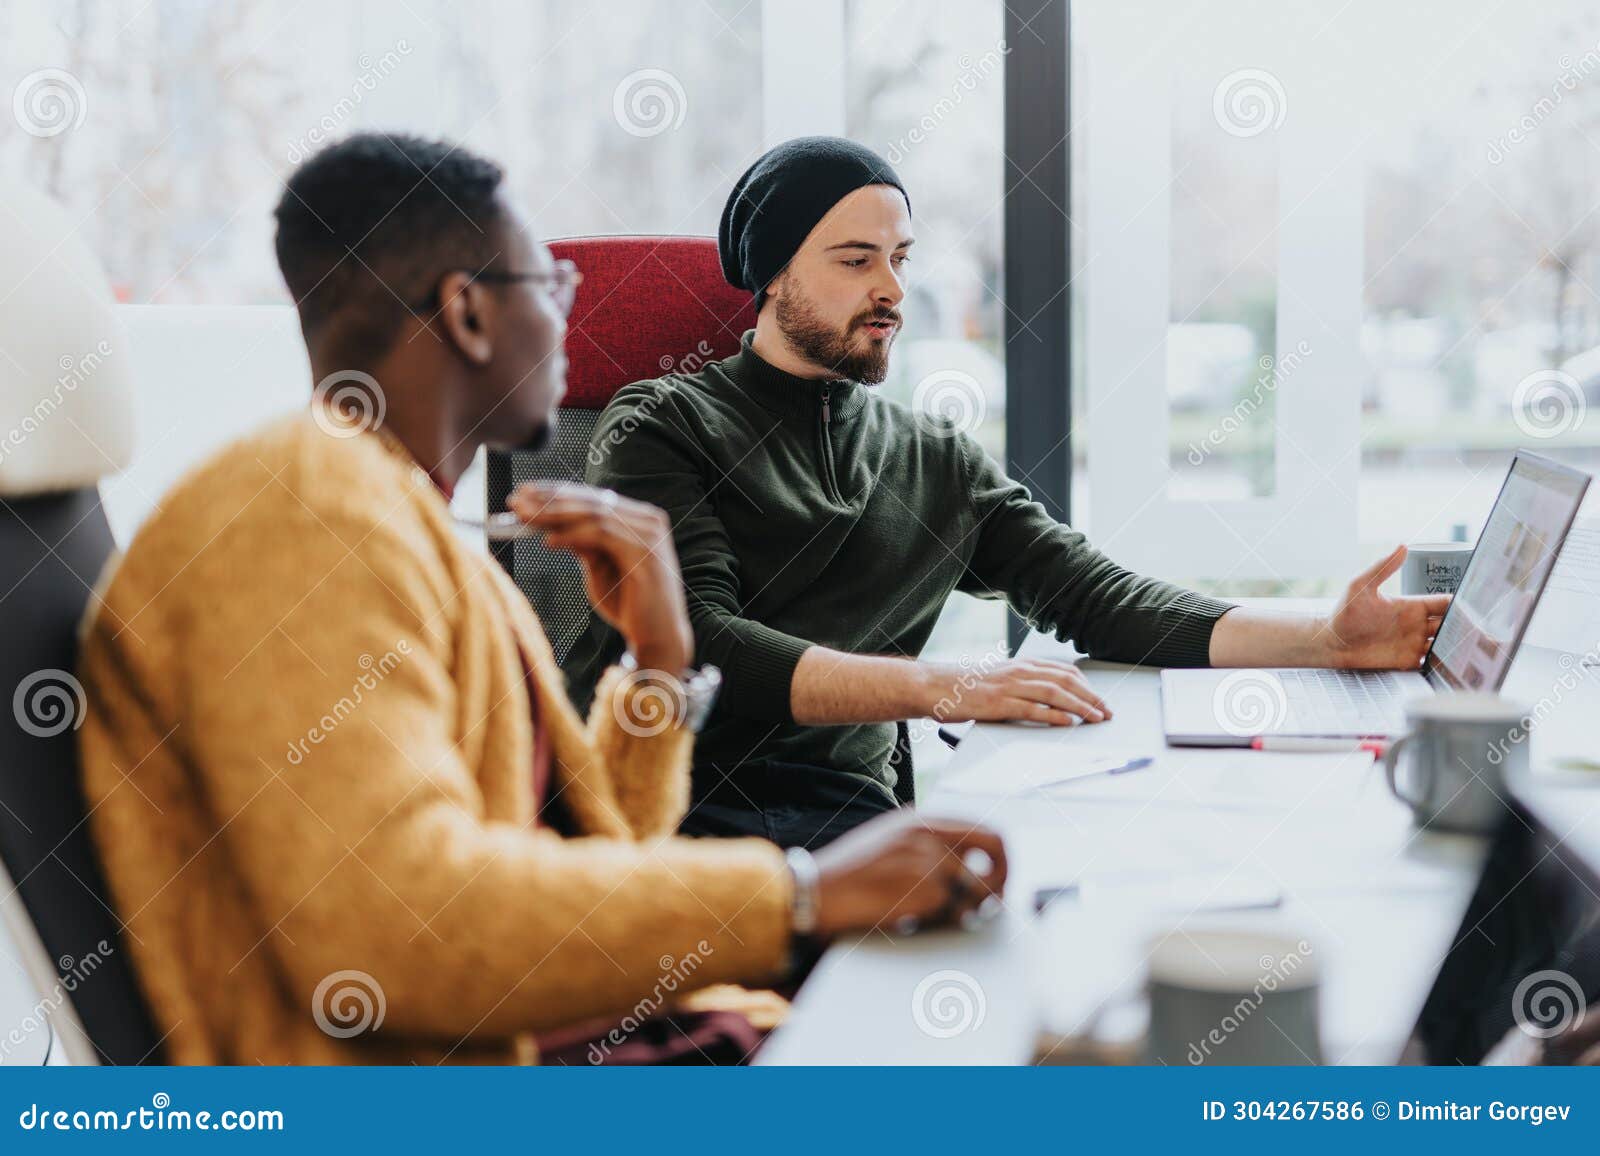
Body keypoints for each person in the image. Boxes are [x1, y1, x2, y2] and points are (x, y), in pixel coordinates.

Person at [77, 133, 1006, 1066]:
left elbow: (582, 853)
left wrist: (658, 663)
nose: (567, 318)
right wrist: (800, 893)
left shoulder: (412, 525)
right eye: (547, 286)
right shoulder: (304, 517)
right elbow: (399, 929)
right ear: (470, 313)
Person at [569, 135, 1451, 849]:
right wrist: (942, 686)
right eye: (854, 260)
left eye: (899, 259)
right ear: (771, 275)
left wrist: (1327, 639)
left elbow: (1097, 599)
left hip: (838, 818)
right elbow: (700, 643)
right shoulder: (662, 424)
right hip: (661, 810)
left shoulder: (932, 459)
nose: (890, 290)